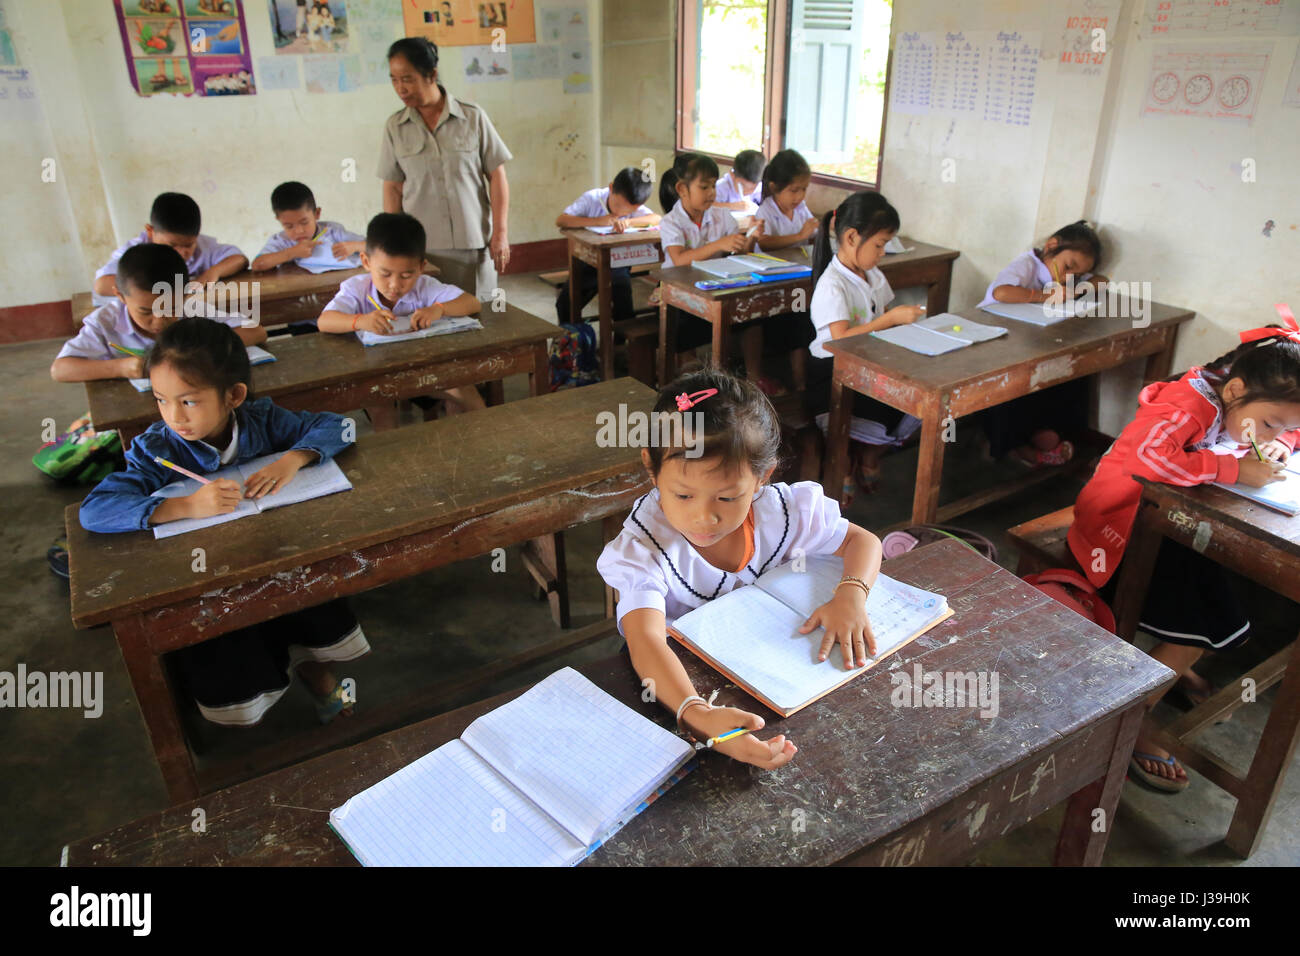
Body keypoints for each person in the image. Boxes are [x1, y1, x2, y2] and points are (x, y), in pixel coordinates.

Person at [79, 317, 367, 726]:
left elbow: (341, 425)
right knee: (232, 630)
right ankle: (244, 705)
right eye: (161, 399)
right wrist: (183, 507)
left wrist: (294, 458)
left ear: (234, 395)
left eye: (188, 401)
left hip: (279, 547)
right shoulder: (157, 448)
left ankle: (317, 673)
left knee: (302, 596)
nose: (173, 416)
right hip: (207, 570)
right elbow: (95, 510)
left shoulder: (263, 420)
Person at [597, 368, 885, 769]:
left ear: (762, 478)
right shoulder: (644, 548)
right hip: (678, 686)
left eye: (729, 498)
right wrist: (697, 715)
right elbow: (645, 640)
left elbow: (862, 540)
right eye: (682, 494)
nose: (704, 517)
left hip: (775, 678)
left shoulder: (782, 512)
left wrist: (851, 595)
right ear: (652, 468)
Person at [1068, 319, 1300, 792]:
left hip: (1167, 519)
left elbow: (1278, 432)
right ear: (1234, 388)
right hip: (1118, 524)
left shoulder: (1237, 401)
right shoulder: (1187, 403)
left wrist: (1281, 442)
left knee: (1227, 578)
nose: (1275, 431)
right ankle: (1134, 714)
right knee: (1214, 618)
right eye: (1272, 422)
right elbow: (1147, 462)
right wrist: (1231, 467)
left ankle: (1173, 660)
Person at [807, 191, 924, 503]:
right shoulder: (832, 284)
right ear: (851, 237)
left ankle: (869, 454)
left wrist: (901, 323)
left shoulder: (871, 274)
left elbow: (881, 313)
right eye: (880, 244)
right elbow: (841, 337)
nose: (883, 252)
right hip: (832, 374)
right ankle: (845, 460)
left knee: (917, 397)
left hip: (865, 363)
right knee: (891, 402)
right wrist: (889, 321)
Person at [318, 212, 485, 423]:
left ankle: (484, 438)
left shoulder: (425, 286)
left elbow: (471, 303)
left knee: (463, 389)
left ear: (422, 268)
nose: (395, 285)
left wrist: (439, 309)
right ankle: (391, 452)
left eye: (406, 275)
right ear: (366, 262)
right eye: (385, 274)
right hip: (377, 375)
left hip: (426, 370)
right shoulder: (356, 289)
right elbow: (324, 321)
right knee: (379, 404)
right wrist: (360, 320)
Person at [378, 37, 512, 298]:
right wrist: (394, 244)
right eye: (394, 80)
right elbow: (393, 187)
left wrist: (501, 233)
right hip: (422, 250)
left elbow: (497, 175)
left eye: (407, 79)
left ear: (431, 74)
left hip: (472, 245)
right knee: (429, 320)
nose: (400, 88)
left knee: (480, 318)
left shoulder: (472, 118)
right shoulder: (395, 127)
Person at [977, 221, 1109, 467]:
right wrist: (1042, 296)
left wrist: (1079, 287)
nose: (1069, 276)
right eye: (1068, 267)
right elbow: (1001, 293)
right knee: (1014, 383)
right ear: (1051, 246)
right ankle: (1013, 445)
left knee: (1072, 370)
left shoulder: (1069, 277)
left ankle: (1047, 433)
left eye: (1077, 274)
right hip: (995, 335)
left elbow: (1102, 279)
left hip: (1030, 337)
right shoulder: (1027, 265)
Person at [53, 243, 265, 383]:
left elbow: (256, 331)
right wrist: (123, 367)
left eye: (170, 308)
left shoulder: (191, 311)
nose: (159, 320)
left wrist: (199, 350)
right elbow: (60, 370)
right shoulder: (105, 323)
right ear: (120, 296)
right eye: (145, 311)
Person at [91, 192, 245, 307]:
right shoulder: (134, 253)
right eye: (172, 245)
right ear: (150, 231)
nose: (180, 252)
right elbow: (102, 285)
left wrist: (213, 273)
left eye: (188, 245)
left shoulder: (201, 245)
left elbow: (238, 259)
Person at [554, 165, 660, 326]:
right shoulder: (592, 198)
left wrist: (628, 221)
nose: (620, 212)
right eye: (617, 206)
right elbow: (561, 220)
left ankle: (620, 343)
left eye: (627, 211)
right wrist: (596, 221)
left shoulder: (633, 204)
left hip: (617, 262)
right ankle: (572, 341)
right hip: (586, 262)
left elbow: (656, 218)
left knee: (622, 299)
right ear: (611, 188)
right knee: (565, 304)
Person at [250, 180, 365, 273]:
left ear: (317, 214)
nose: (299, 231)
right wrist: (292, 252)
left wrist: (355, 246)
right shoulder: (282, 241)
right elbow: (257, 264)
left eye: (304, 222)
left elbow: (375, 247)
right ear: (279, 221)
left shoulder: (331, 231)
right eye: (289, 226)